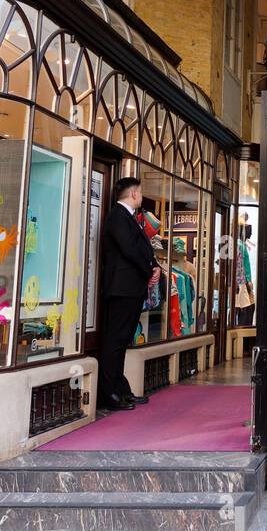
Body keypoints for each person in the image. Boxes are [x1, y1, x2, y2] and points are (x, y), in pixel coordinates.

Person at [99, 176, 159, 412]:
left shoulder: (129, 218)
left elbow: (142, 248)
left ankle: (121, 389)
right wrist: (148, 270)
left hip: (131, 288)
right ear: (134, 194)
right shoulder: (117, 216)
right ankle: (108, 394)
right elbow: (130, 249)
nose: (141, 197)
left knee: (122, 340)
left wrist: (154, 267)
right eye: (141, 193)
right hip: (121, 289)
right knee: (115, 341)